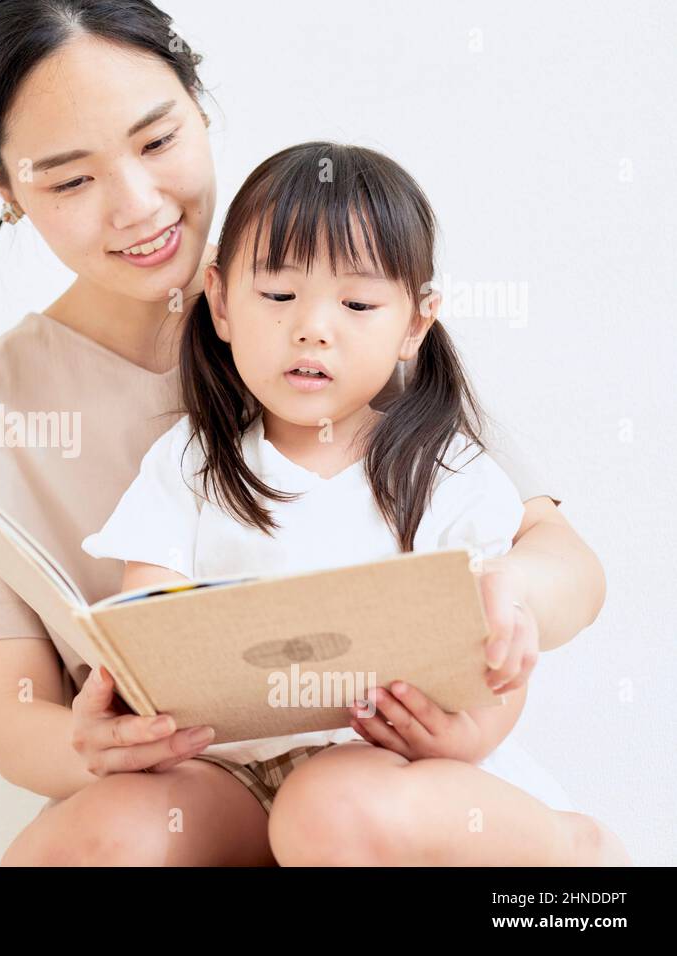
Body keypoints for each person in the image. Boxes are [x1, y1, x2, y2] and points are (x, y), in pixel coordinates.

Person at [0, 0, 616, 865]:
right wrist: (92, 746)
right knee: (95, 841)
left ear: (200, 109)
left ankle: (575, 868)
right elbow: (14, 718)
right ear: (2, 185)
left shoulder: (345, 315)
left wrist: (509, 599)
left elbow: (563, 563)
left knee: (330, 805)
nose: (135, 205)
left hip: (372, 768)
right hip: (198, 779)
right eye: (69, 179)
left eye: (158, 141)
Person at [80, 140, 627, 864]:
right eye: (277, 296)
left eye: (358, 303)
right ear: (219, 302)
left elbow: (499, 646)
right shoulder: (189, 463)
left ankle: (571, 846)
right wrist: (132, 704)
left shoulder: (446, 467)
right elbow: (149, 622)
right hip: (230, 771)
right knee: (99, 831)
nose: (312, 327)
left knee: (326, 805)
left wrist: (473, 734)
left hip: (393, 765)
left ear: (414, 325)